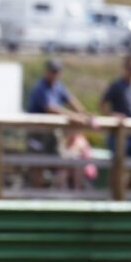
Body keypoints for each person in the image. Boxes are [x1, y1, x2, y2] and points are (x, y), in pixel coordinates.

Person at [25, 58, 89, 187]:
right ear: (46, 71)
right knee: (38, 164)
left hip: (53, 132)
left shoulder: (58, 86)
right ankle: (35, 195)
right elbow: (50, 107)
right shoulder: (40, 87)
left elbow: (71, 100)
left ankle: (57, 193)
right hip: (38, 132)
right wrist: (73, 116)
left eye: (57, 71)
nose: (54, 74)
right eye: (52, 71)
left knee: (60, 161)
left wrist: (84, 114)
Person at [98, 55, 131, 191]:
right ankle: (112, 195)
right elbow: (102, 105)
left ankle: (123, 192)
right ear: (124, 68)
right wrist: (114, 115)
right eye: (130, 68)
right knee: (117, 167)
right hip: (117, 134)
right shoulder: (116, 85)